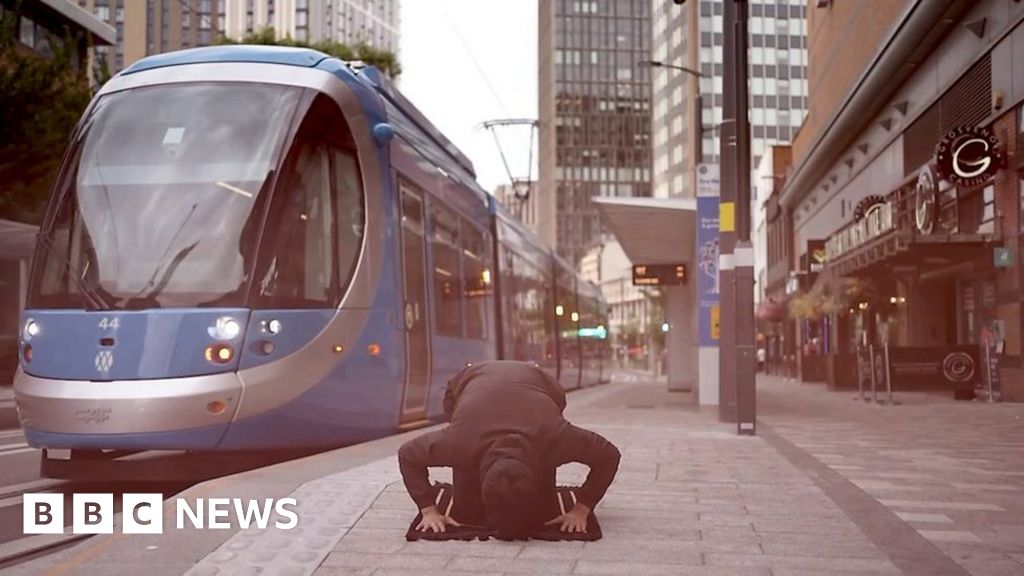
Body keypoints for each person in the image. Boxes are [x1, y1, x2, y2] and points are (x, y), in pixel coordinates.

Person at [398, 360, 621, 539]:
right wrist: (428, 510)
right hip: (468, 379)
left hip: (541, 382)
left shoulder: (555, 436)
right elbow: (407, 454)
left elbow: (609, 455)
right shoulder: (460, 440)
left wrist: (581, 510)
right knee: (460, 438)